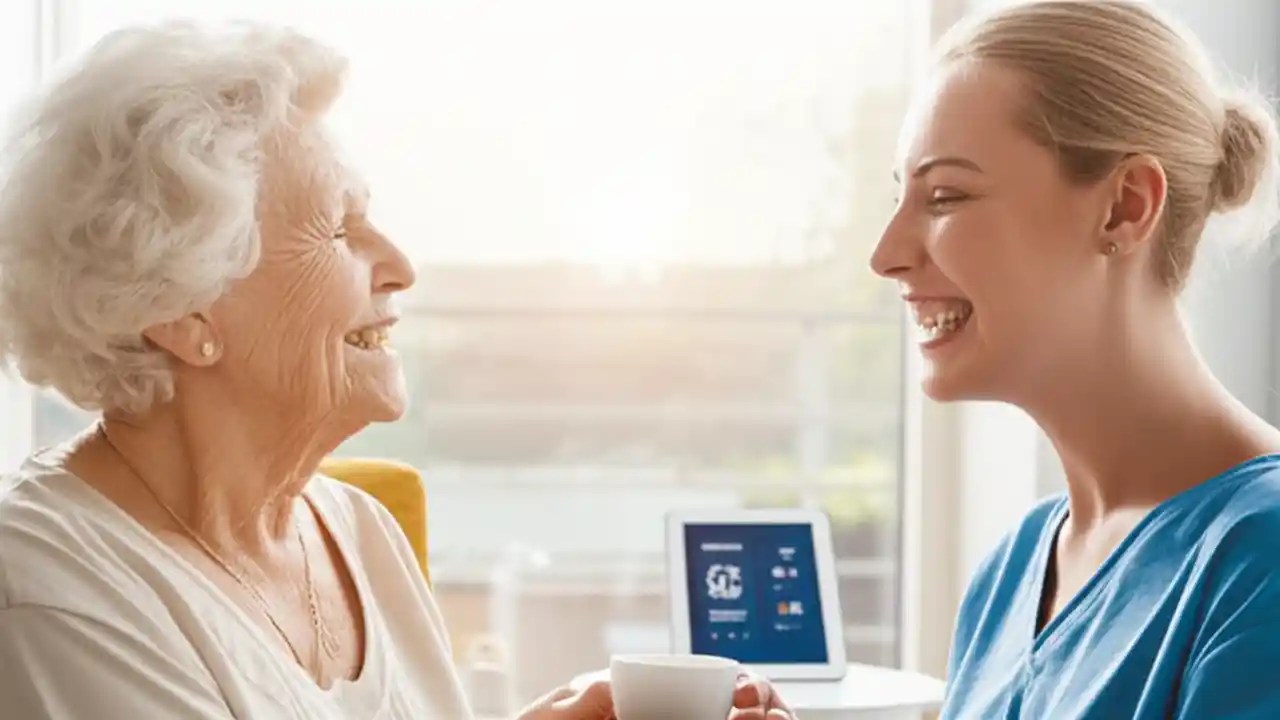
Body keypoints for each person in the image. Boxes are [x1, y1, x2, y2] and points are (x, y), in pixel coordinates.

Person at [0, 23, 792, 720]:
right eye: (340, 228)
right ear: (182, 310)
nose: (402, 266)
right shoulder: (47, 591)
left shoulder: (359, 532)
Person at [872, 1, 1280, 718]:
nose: (887, 255)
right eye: (900, 195)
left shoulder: (1261, 558)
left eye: (945, 196)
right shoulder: (1011, 572)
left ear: (1125, 207)